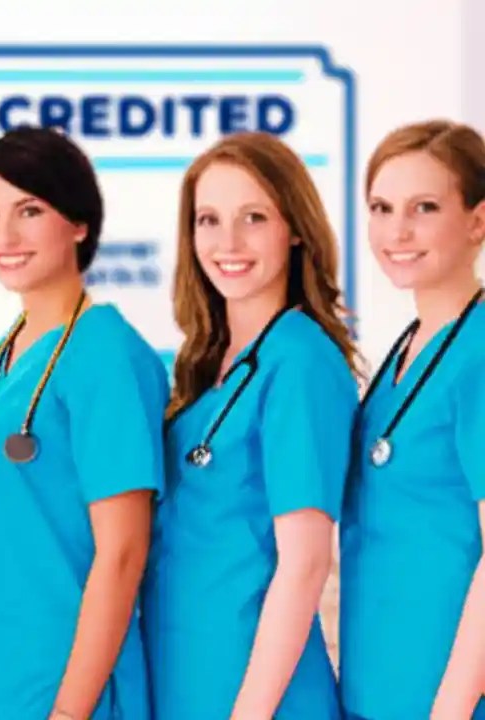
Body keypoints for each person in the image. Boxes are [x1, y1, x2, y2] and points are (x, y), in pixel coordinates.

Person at [0, 127, 164, 720]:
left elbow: (123, 550)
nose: (3, 235)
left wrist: (68, 712)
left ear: (80, 222)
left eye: (29, 210)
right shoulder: (0, 361)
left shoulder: (105, 353)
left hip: (63, 696)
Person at [142, 132, 359, 719]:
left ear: (295, 229)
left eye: (253, 217)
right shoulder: (204, 365)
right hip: (184, 681)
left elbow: (306, 562)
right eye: (208, 219)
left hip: (258, 698)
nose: (227, 242)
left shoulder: (301, 361)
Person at [340, 120, 485, 720]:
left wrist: (450, 708)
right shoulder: (406, 351)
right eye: (381, 207)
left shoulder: (477, 353)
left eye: (424, 207)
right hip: (378, 690)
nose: (396, 230)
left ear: (478, 221)